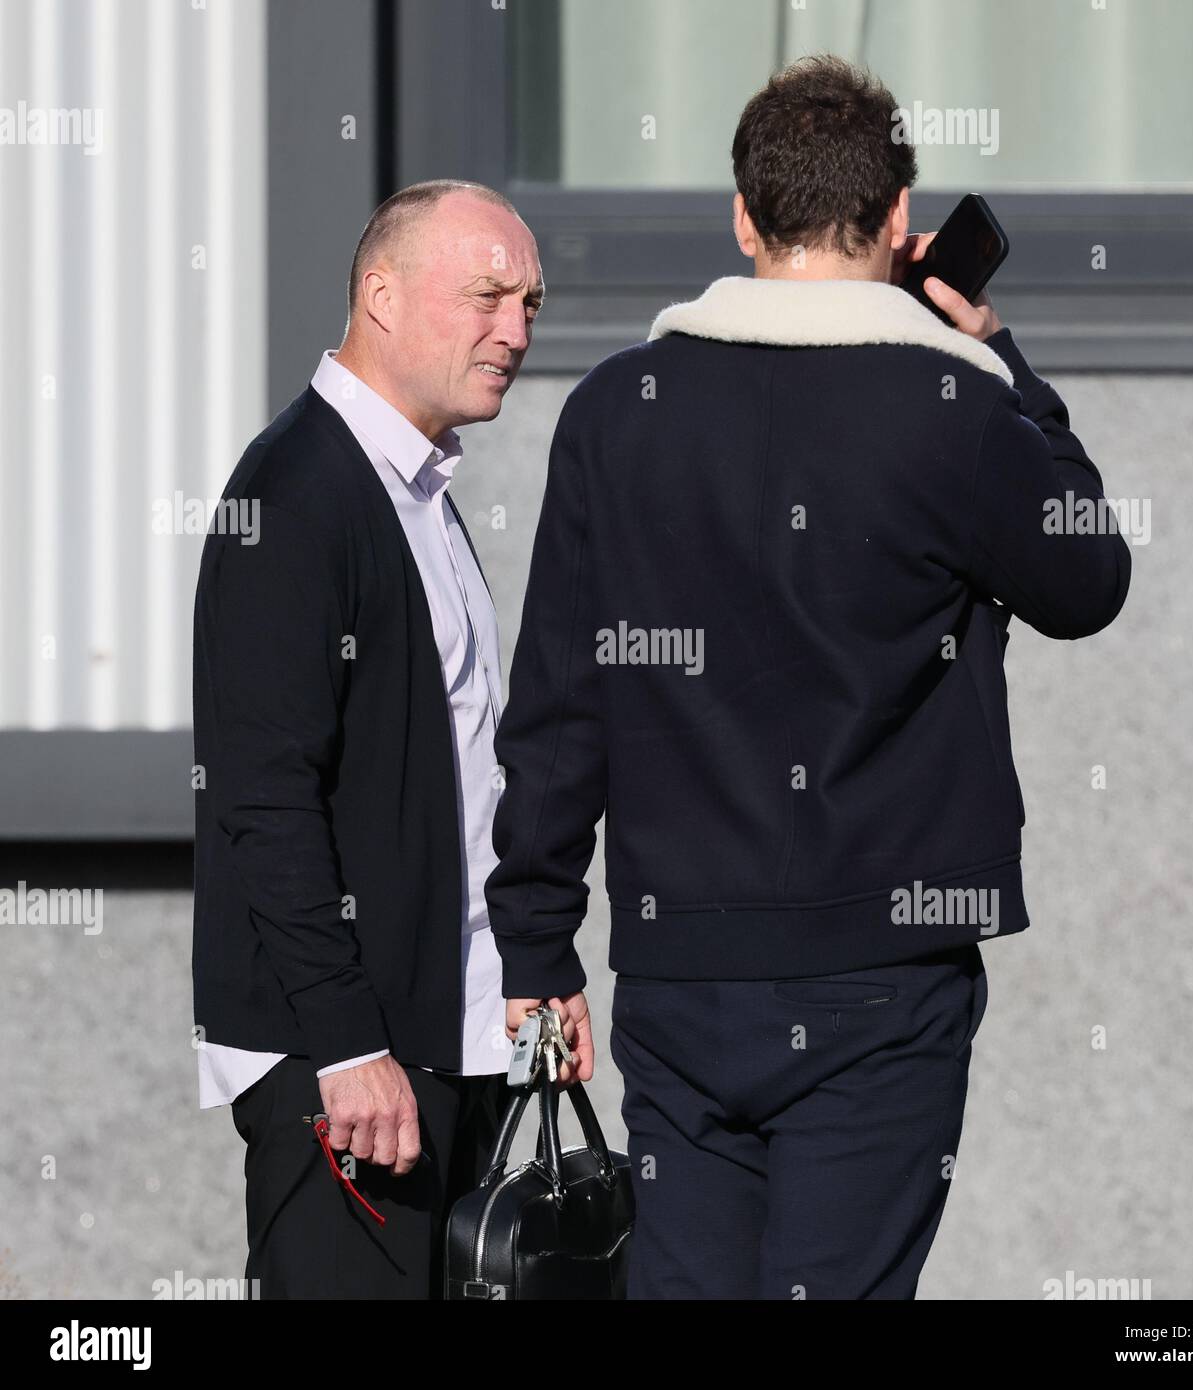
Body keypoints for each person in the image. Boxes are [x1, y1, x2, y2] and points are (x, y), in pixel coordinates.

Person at [487, 56, 1131, 1299]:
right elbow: (1087, 579)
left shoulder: (619, 411)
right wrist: (1003, 363)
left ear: (741, 218)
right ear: (898, 222)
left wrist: (537, 949)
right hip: (884, 975)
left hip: (678, 969)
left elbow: (560, 708)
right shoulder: (950, 405)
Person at [192, 179, 553, 1298]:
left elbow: (453, 773)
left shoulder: (415, 491)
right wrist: (348, 1048)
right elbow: (263, 796)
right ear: (380, 295)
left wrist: (525, 976)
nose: (517, 331)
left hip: (438, 1048)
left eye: (531, 303)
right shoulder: (299, 494)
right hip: (350, 1065)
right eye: (488, 295)